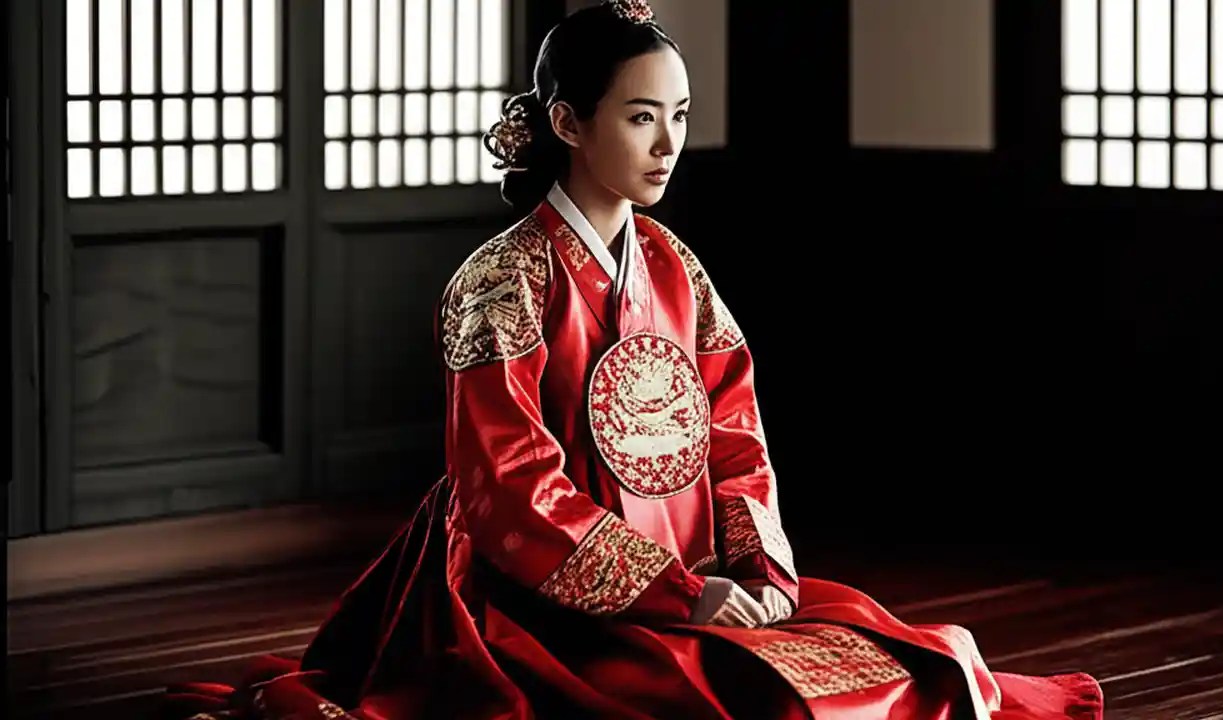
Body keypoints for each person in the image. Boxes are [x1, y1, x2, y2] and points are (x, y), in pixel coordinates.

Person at [163, 1, 1104, 718]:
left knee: (906, 662)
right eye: (640, 117)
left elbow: (733, 430)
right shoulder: (502, 280)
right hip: (538, 598)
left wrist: (757, 571)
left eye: (680, 116)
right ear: (569, 123)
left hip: (696, 568)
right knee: (739, 700)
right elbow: (506, 490)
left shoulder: (672, 264)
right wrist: (682, 595)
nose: (668, 144)